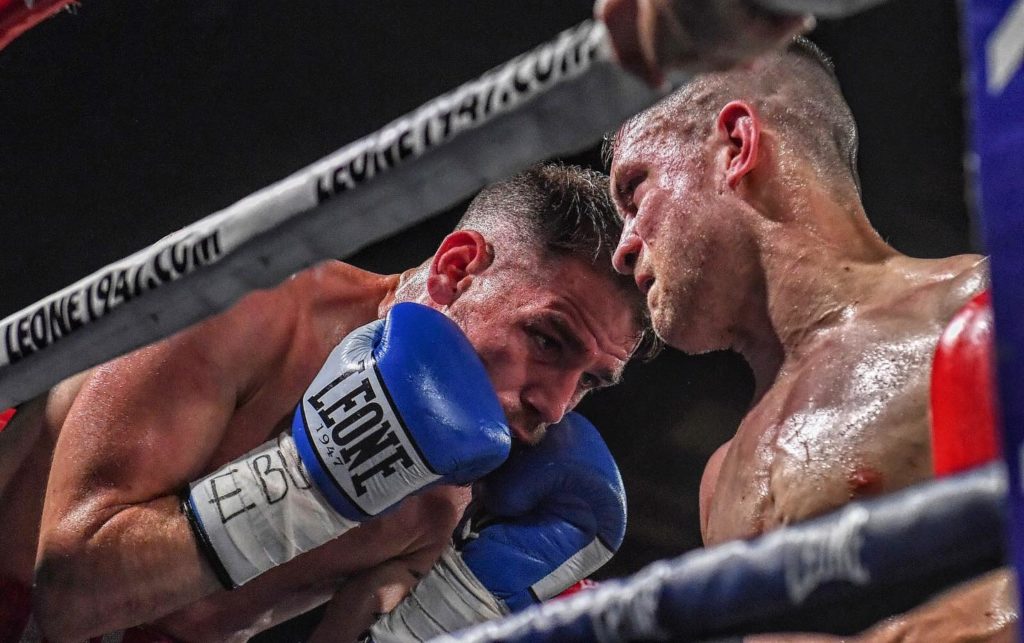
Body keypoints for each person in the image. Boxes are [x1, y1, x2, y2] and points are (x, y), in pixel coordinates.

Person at [1, 163, 652, 642]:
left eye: (591, 381)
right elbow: (69, 595)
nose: (556, 405)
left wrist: (460, 606)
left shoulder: (449, 492)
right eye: (546, 338)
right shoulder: (245, 309)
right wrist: (312, 484)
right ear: (457, 269)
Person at [606, 38, 1014, 639]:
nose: (623, 249)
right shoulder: (721, 477)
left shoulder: (986, 306)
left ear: (737, 146)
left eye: (634, 194)